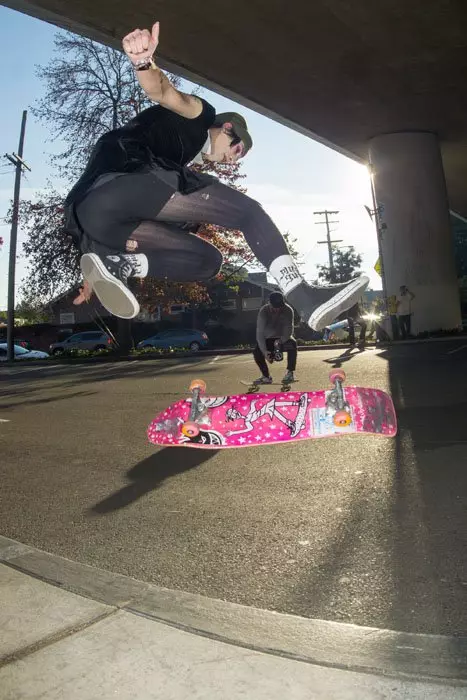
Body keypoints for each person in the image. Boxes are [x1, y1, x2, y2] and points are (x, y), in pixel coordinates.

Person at [67, 21, 369, 329]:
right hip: (122, 185)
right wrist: (144, 62)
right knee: (248, 213)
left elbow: (105, 216)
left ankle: (119, 266)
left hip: (99, 223)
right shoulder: (200, 117)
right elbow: (163, 92)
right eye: (237, 150)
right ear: (227, 128)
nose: (232, 160)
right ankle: (303, 295)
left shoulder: (175, 158)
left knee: (207, 261)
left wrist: (94, 270)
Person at [253, 292, 297, 384]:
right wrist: (265, 351)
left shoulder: (288, 310)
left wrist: (280, 341)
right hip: (268, 338)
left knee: (292, 344)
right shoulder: (263, 311)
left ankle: (290, 373)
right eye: (274, 307)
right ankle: (266, 376)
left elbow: (289, 330)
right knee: (257, 352)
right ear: (269, 303)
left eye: (279, 306)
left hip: (282, 337)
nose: (277, 309)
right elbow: (260, 333)